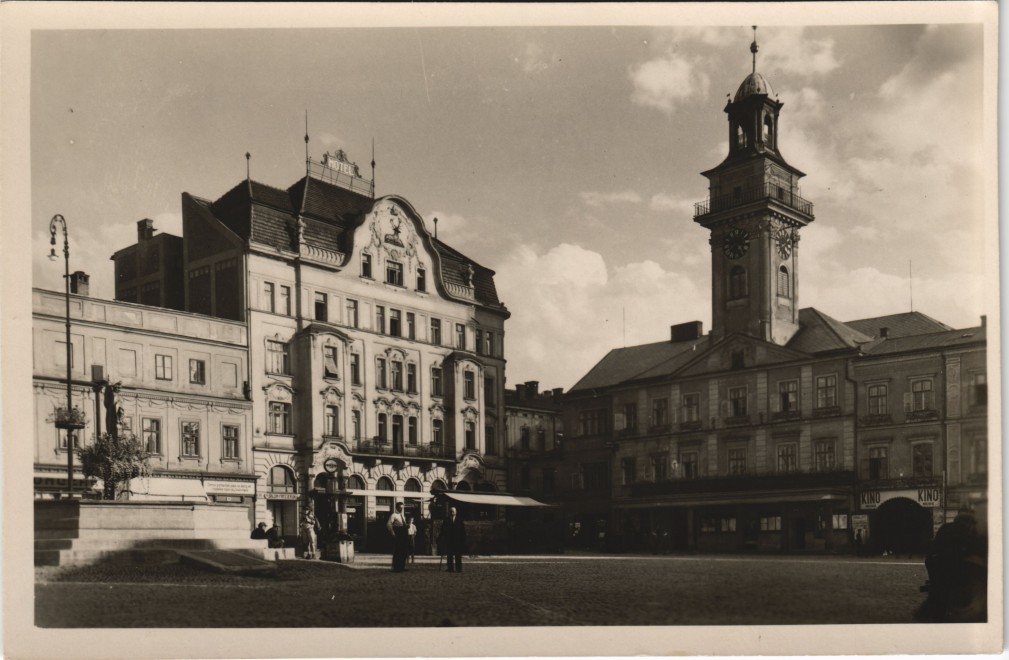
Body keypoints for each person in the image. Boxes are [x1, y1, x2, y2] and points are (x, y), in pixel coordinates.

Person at [915, 511, 987, 623]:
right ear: (965, 522)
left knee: (938, 587)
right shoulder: (962, 529)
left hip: (933, 561)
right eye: (971, 523)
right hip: (944, 562)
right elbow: (967, 546)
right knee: (945, 588)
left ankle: (929, 613)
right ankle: (936, 615)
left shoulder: (946, 526)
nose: (972, 526)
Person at [438, 506, 467, 573]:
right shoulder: (446, 520)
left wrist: (463, 540)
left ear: (456, 512)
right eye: (451, 511)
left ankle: (458, 569)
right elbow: (443, 530)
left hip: (457, 541)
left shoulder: (459, 520)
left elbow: (463, 531)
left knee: (458, 555)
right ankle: (450, 568)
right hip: (449, 540)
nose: (452, 512)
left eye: (453, 511)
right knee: (449, 555)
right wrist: (440, 538)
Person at [387, 502, 409, 572]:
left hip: (404, 533)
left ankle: (402, 566)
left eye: (402, 507)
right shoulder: (394, 515)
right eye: (400, 507)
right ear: (397, 507)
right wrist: (393, 533)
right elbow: (389, 524)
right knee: (398, 551)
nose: (402, 509)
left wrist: (406, 526)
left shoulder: (402, 516)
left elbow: (402, 524)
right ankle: (396, 567)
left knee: (404, 551)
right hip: (398, 533)